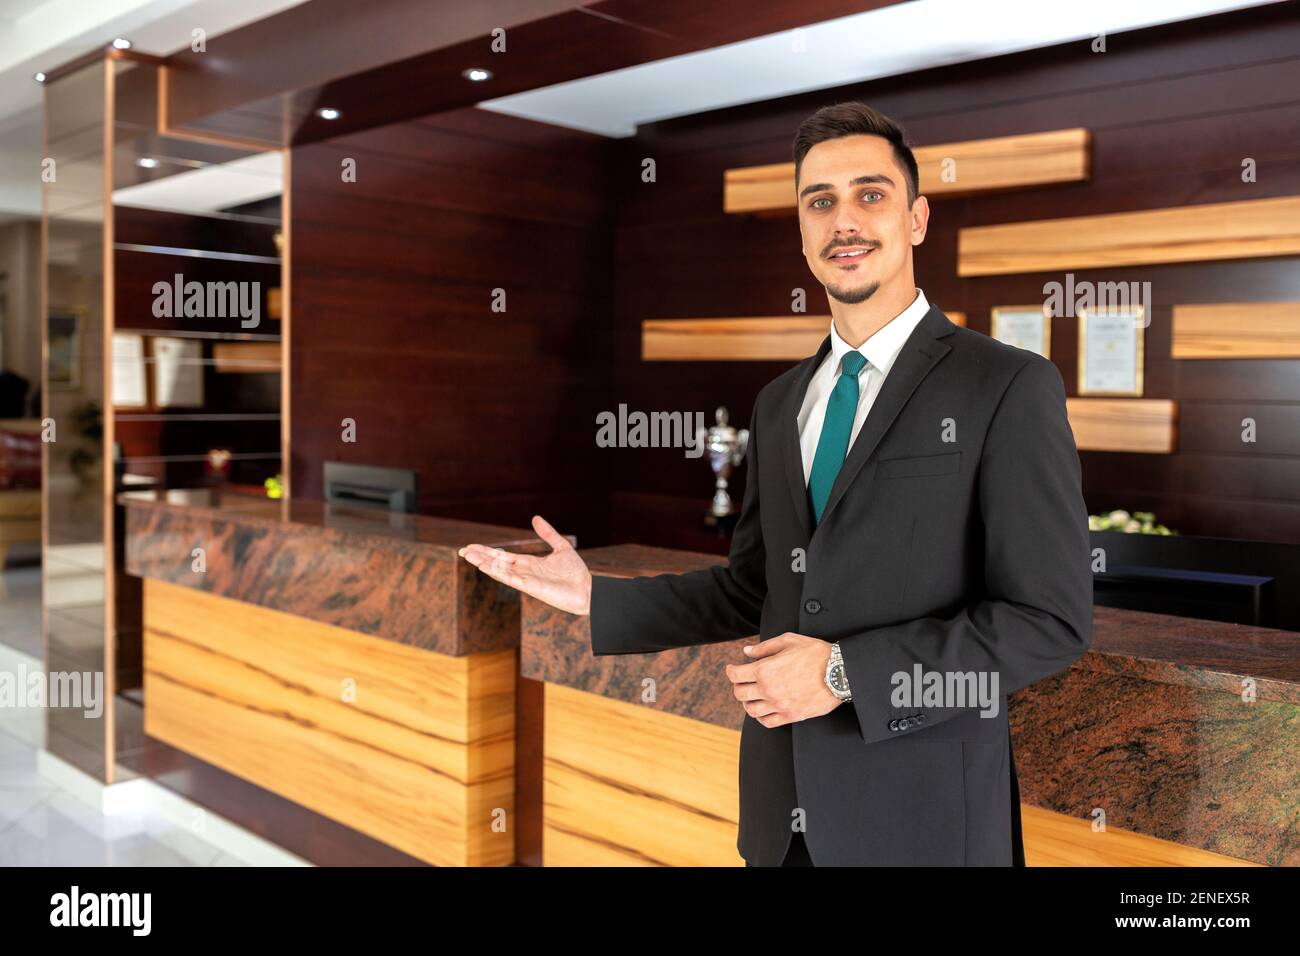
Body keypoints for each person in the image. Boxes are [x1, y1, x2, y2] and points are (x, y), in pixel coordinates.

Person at [460, 101, 1093, 866]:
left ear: (918, 218)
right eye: (819, 202)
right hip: (781, 815)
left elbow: (1048, 622)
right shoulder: (780, 402)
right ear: (801, 232)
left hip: (924, 824)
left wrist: (840, 674)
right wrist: (600, 596)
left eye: (871, 194)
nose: (844, 221)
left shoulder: (1007, 385)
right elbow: (755, 585)